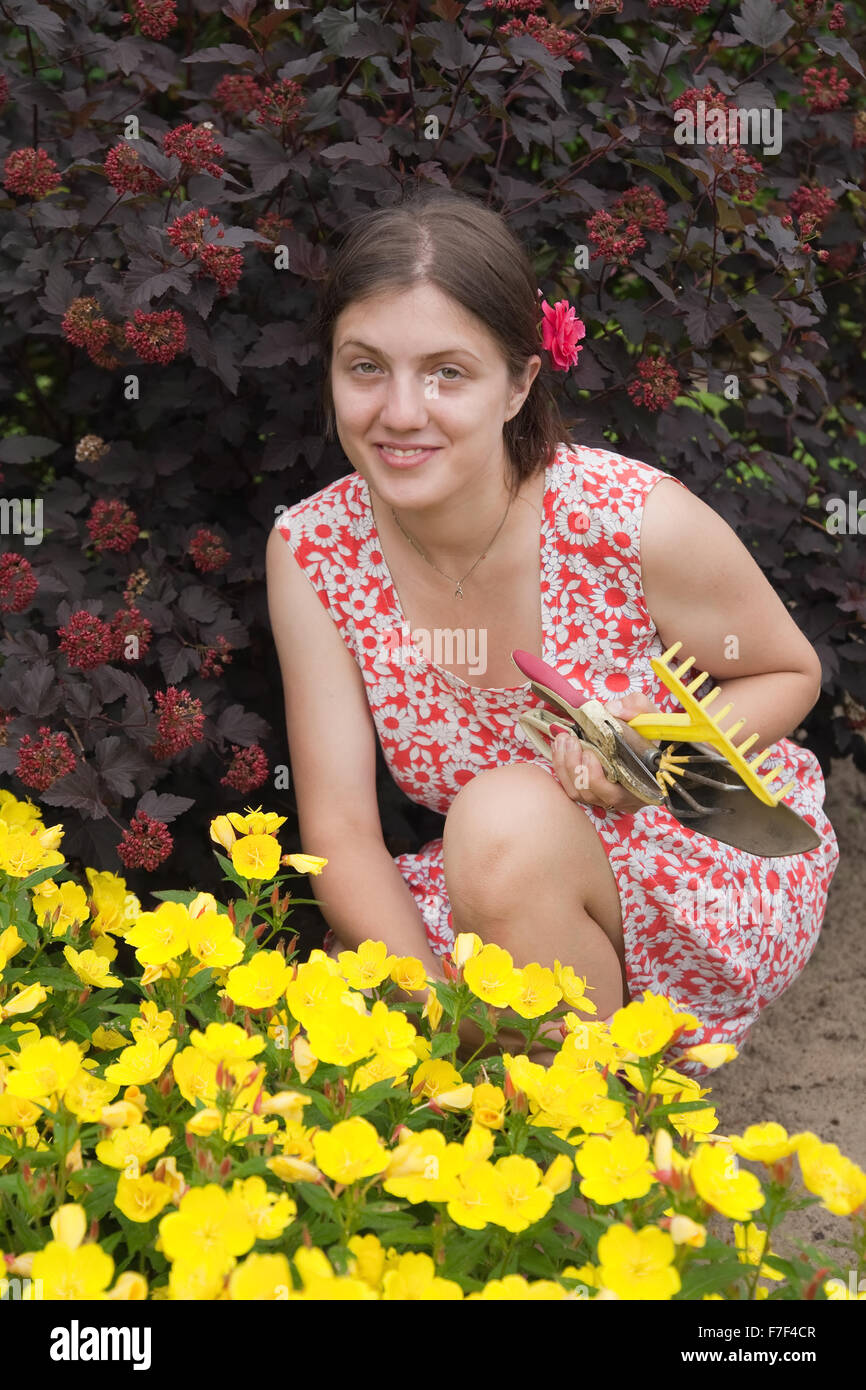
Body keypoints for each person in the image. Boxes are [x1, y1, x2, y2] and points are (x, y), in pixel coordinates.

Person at [265, 188, 840, 1076]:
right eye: (365, 366)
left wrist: (650, 750)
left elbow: (786, 673)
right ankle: (541, 1107)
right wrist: (434, 1017)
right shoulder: (313, 551)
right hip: (497, 868)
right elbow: (340, 831)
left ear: (520, 382)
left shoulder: (626, 518)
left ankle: (592, 1129)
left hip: (696, 851)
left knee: (500, 817)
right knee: (321, 1032)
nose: (401, 411)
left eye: (448, 372)